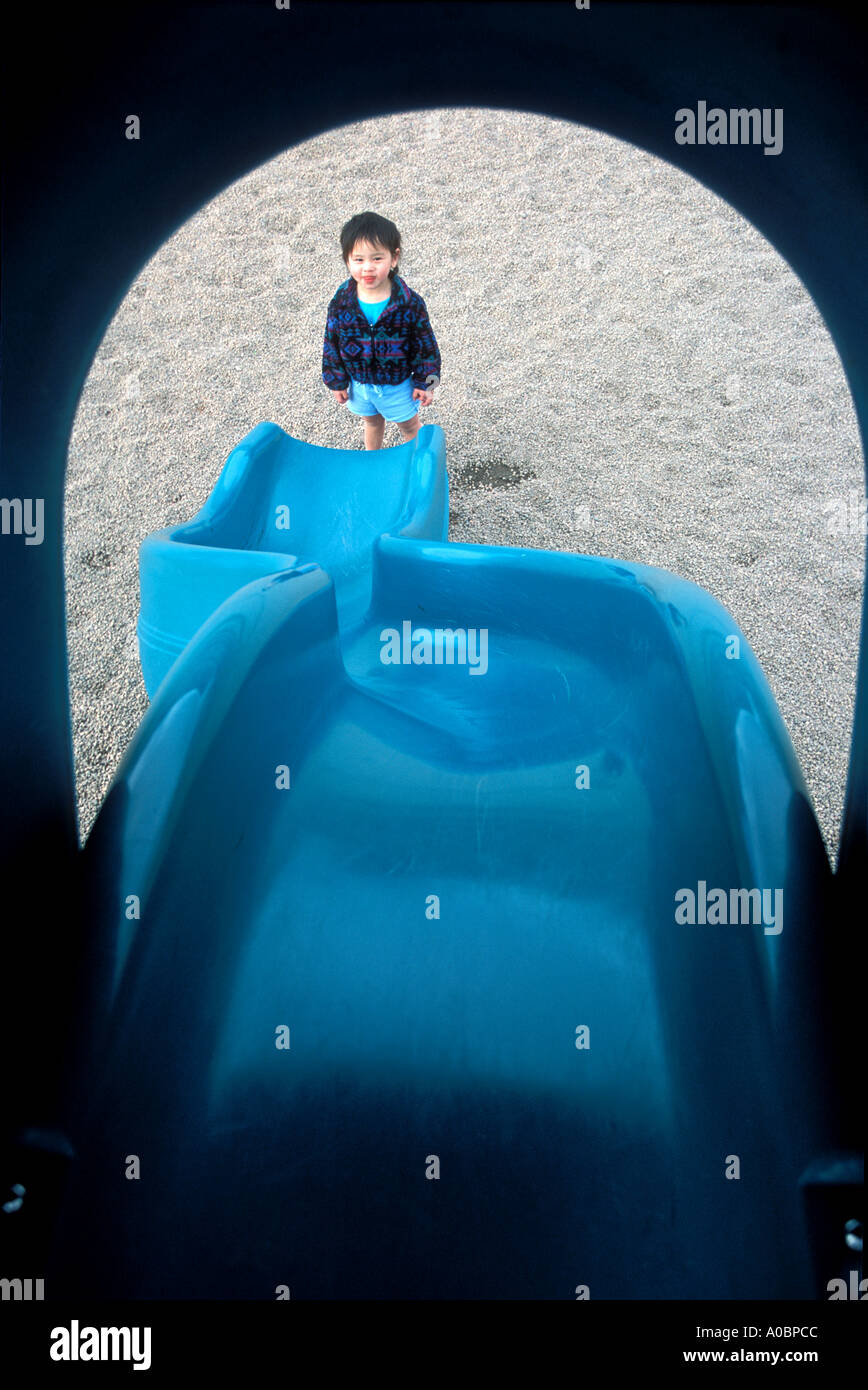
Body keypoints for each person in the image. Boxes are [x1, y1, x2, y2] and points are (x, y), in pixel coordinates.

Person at [322, 211, 441, 450]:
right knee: (372, 422)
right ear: (347, 260)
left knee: (409, 425)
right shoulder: (342, 301)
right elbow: (331, 342)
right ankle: (372, 459)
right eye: (358, 260)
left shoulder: (409, 303)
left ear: (394, 258)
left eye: (377, 259)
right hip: (359, 384)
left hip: (397, 386)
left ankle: (418, 462)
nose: (368, 268)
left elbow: (426, 347)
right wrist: (336, 380)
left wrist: (426, 383)